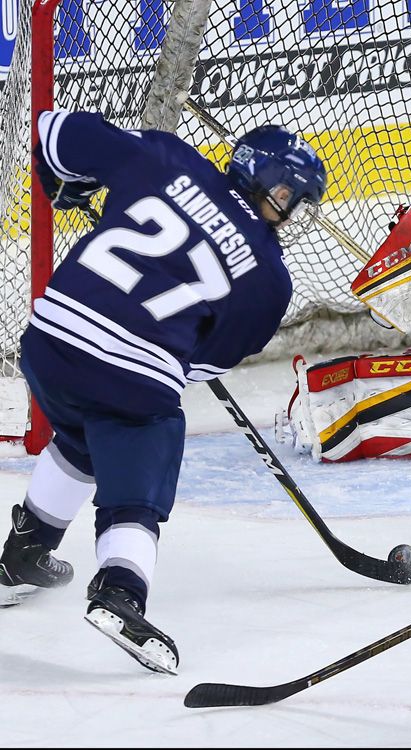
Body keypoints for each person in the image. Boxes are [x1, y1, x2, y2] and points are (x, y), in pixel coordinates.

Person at [0, 110, 326, 674]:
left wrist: (66, 180)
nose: (289, 208)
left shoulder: (167, 156)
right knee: (146, 434)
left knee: (83, 435)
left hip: (49, 340)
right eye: (286, 193)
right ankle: (121, 589)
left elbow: (55, 133)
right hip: (131, 371)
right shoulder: (271, 279)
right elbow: (202, 362)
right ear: (260, 177)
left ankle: (23, 554)